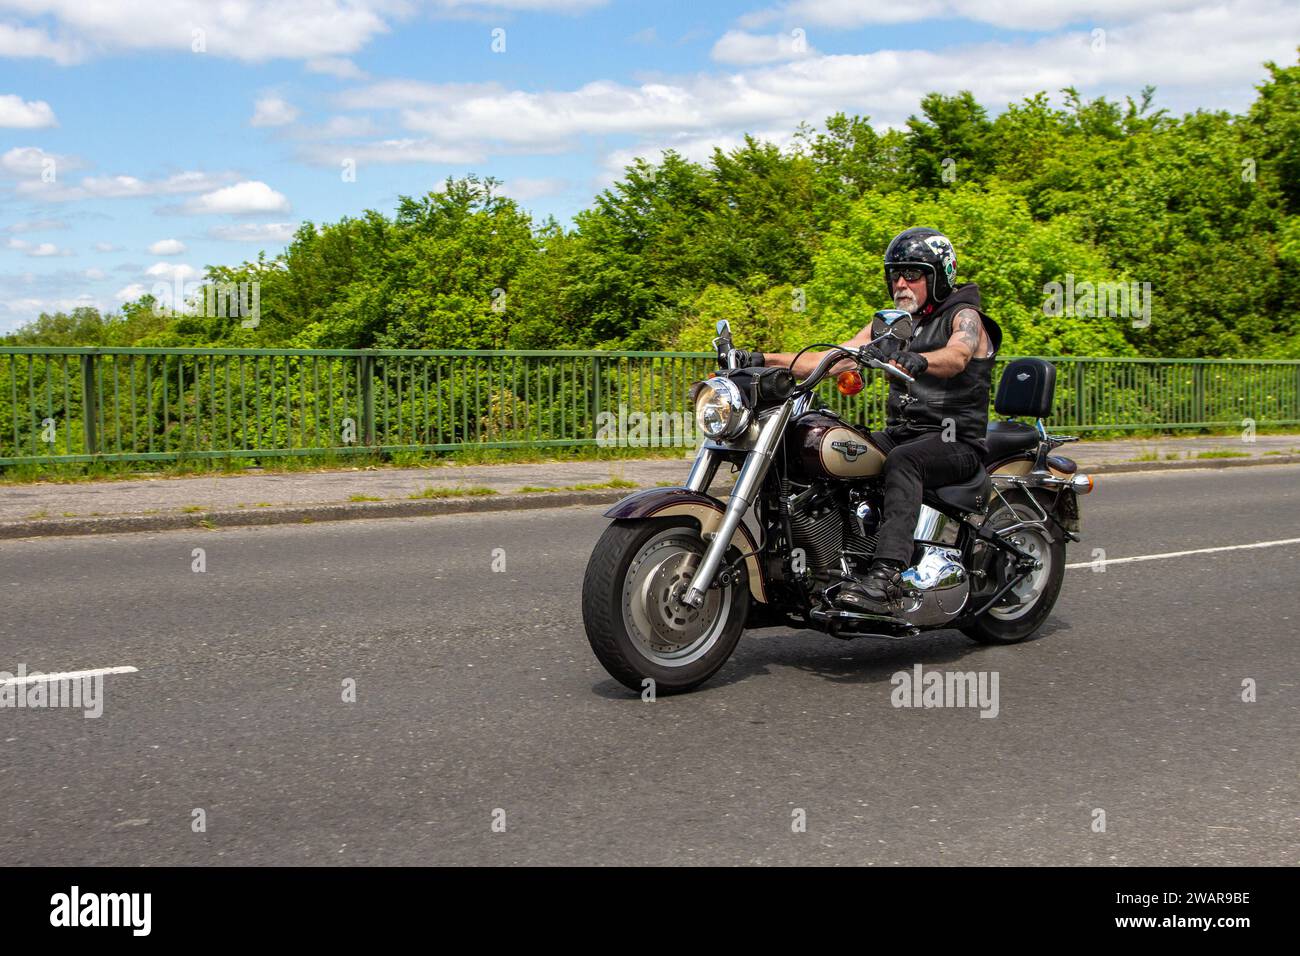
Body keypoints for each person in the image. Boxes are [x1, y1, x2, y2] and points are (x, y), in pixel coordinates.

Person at [745, 227, 1002, 614]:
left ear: (938, 276)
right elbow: (834, 356)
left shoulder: (964, 316)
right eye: (895, 274)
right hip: (903, 433)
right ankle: (809, 565)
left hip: (956, 441)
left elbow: (958, 356)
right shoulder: (895, 322)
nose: (901, 283)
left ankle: (885, 578)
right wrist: (763, 360)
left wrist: (922, 360)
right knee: (827, 447)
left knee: (905, 461)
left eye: (912, 274)